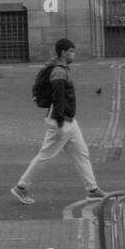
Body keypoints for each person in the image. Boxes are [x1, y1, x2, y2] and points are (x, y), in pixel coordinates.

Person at [12, 38, 105, 205]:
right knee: (45, 156)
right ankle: (21, 187)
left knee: (82, 153)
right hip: (61, 121)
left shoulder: (59, 68)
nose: (74, 55)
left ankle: (92, 189)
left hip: (69, 121)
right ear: (63, 52)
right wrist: (60, 121)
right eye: (72, 51)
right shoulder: (59, 72)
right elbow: (59, 97)